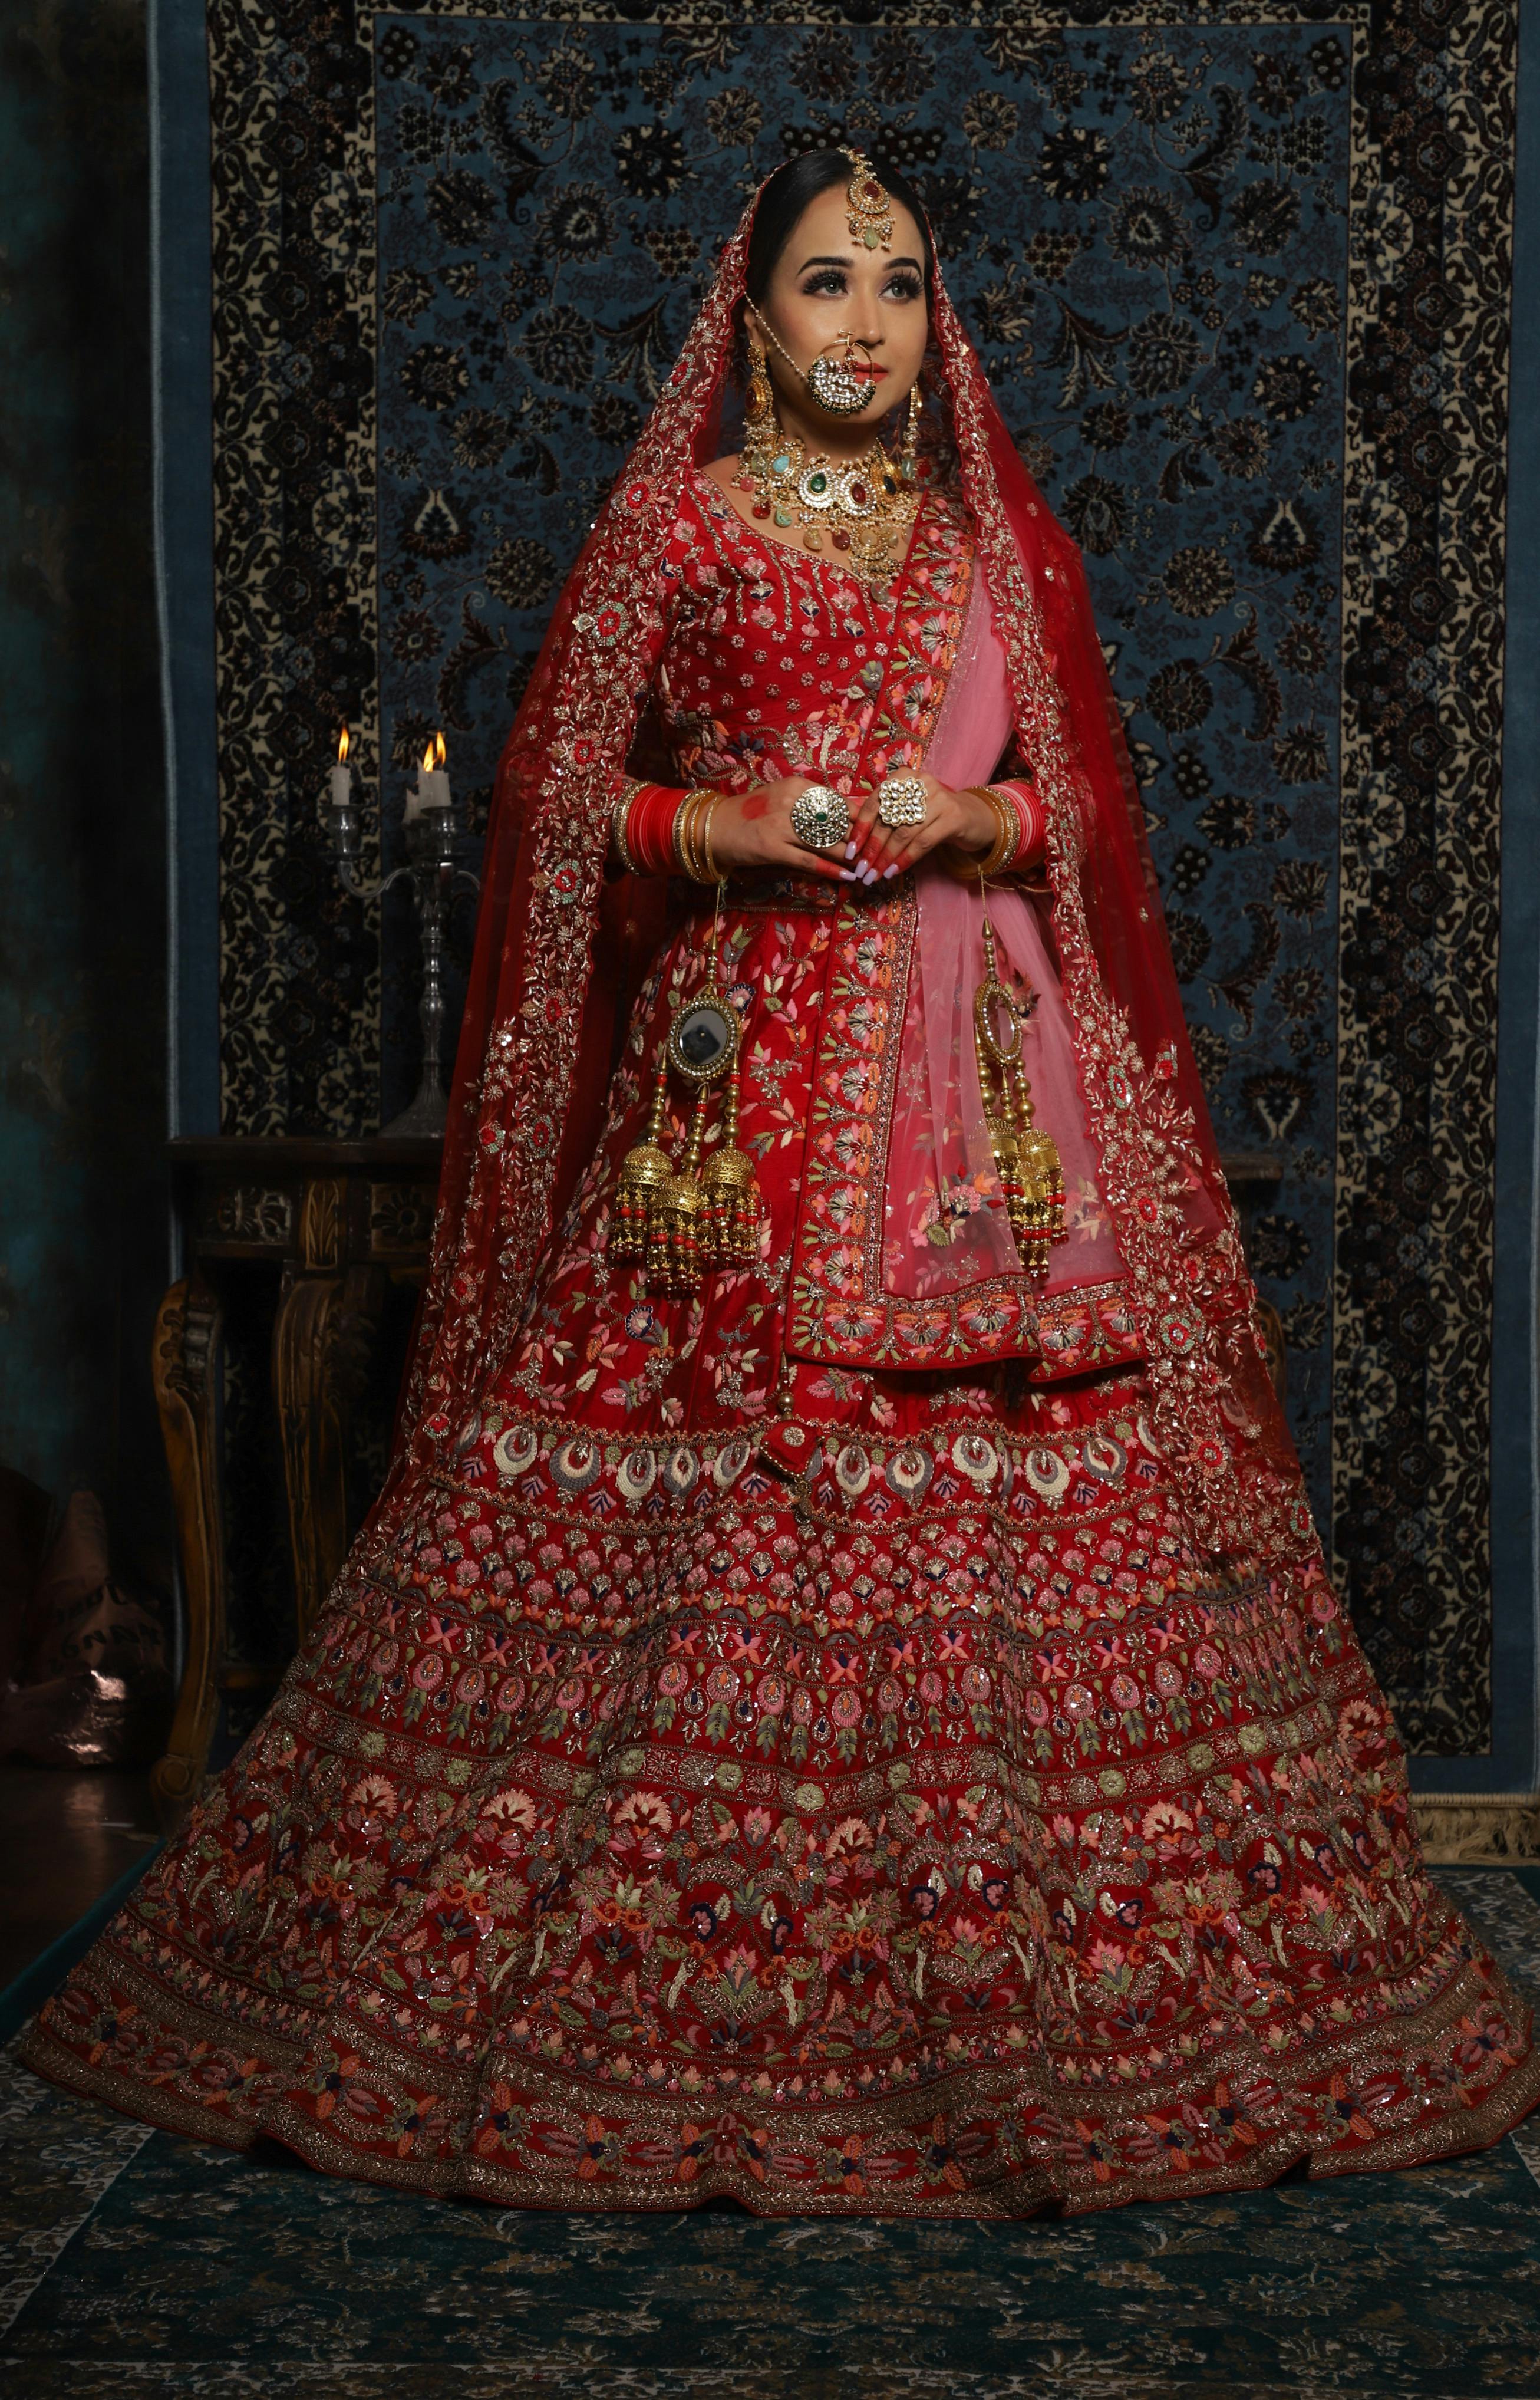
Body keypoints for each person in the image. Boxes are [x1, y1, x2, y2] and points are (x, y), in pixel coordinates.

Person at [25, 151, 1537, 2216]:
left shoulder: (993, 548)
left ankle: (1050, 1959)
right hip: (734, 1103)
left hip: (982, 1092)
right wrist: (714, 831)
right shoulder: (686, 524)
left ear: (937, 327)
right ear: (751, 322)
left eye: (899, 287)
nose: (866, 322)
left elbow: (1079, 817)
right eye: (829, 282)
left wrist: (971, 824)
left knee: (1030, 1462)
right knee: (715, 1455)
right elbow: (558, 791)